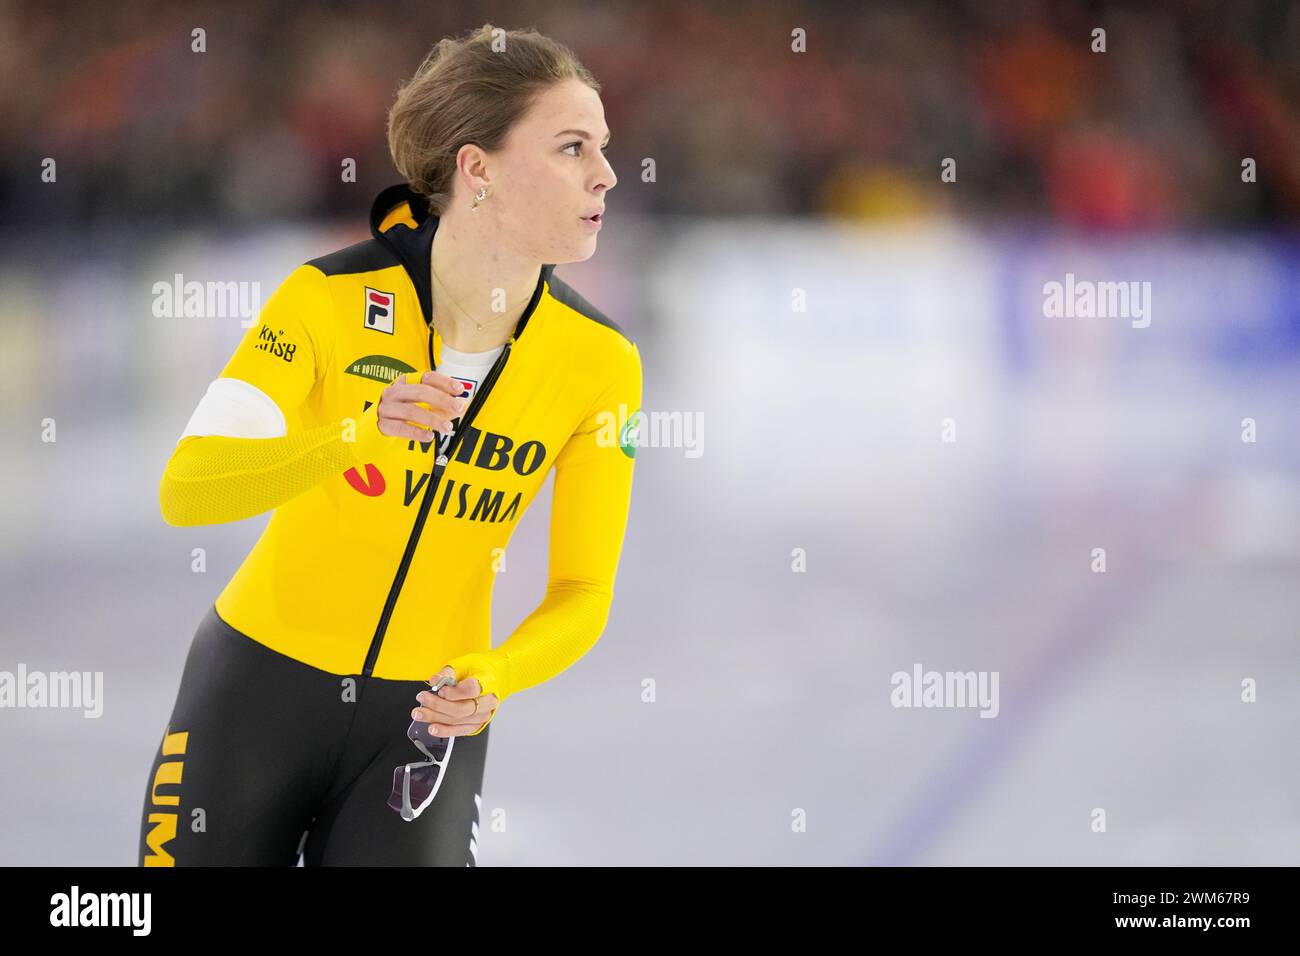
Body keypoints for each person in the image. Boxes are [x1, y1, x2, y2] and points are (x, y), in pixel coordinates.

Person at [138, 23, 641, 866]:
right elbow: (187, 491)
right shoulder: (326, 298)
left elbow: (584, 588)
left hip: (423, 726)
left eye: (604, 146)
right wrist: (354, 437)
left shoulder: (601, 364)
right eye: (571, 147)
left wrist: (498, 673)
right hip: (254, 694)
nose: (607, 174)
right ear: (478, 169)